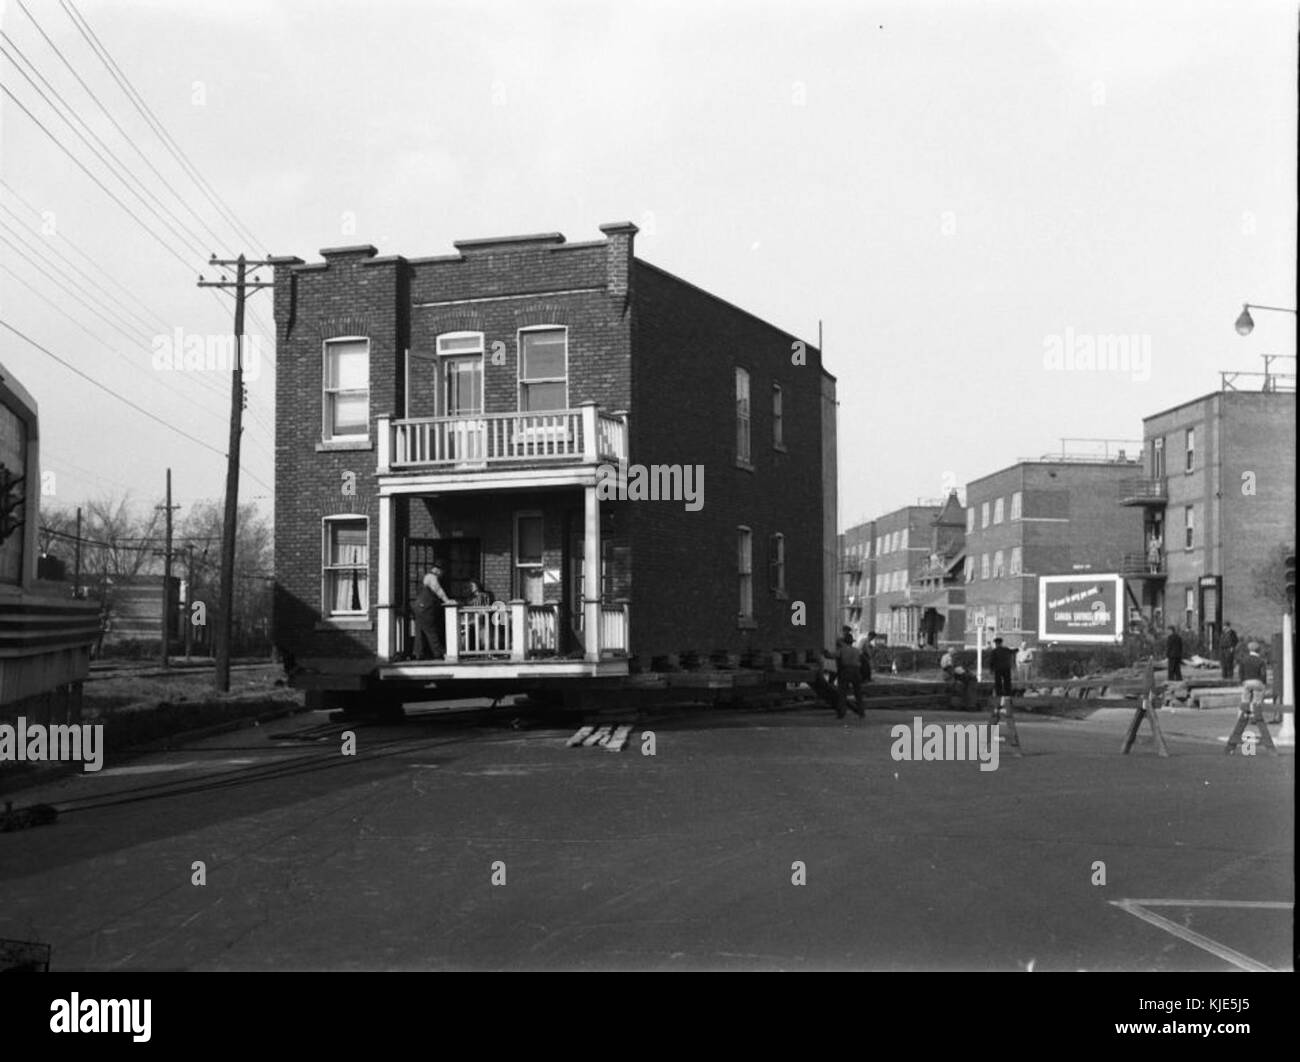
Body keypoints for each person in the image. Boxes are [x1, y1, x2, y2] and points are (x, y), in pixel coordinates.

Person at [1226, 641, 1276, 754]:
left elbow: (1240, 672)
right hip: (1257, 681)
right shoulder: (1261, 661)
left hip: (1247, 681)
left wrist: (1242, 681)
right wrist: (1264, 684)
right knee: (1259, 694)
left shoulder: (1244, 660)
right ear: (1258, 650)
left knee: (1245, 696)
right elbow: (1263, 674)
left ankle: (1243, 711)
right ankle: (1255, 709)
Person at [412, 565, 454, 660]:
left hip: (419, 606)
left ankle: (418, 653)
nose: (442, 574)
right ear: (438, 570)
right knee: (431, 629)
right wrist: (447, 600)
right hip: (425, 607)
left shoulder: (426, 577)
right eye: (442, 572)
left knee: (420, 630)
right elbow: (438, 590)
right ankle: (438, 652)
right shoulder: (431, 577)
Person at [822, 627, 865, 719]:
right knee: (858, 693)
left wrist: (824, 652)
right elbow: (862, 661)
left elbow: (830, 656)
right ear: (852, 642)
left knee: (842, 693)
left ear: (844, 642)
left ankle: (841, 713)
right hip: (856, 672)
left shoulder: (842, 650)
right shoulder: (857, 651)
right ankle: (861, 712)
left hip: (845, 671)